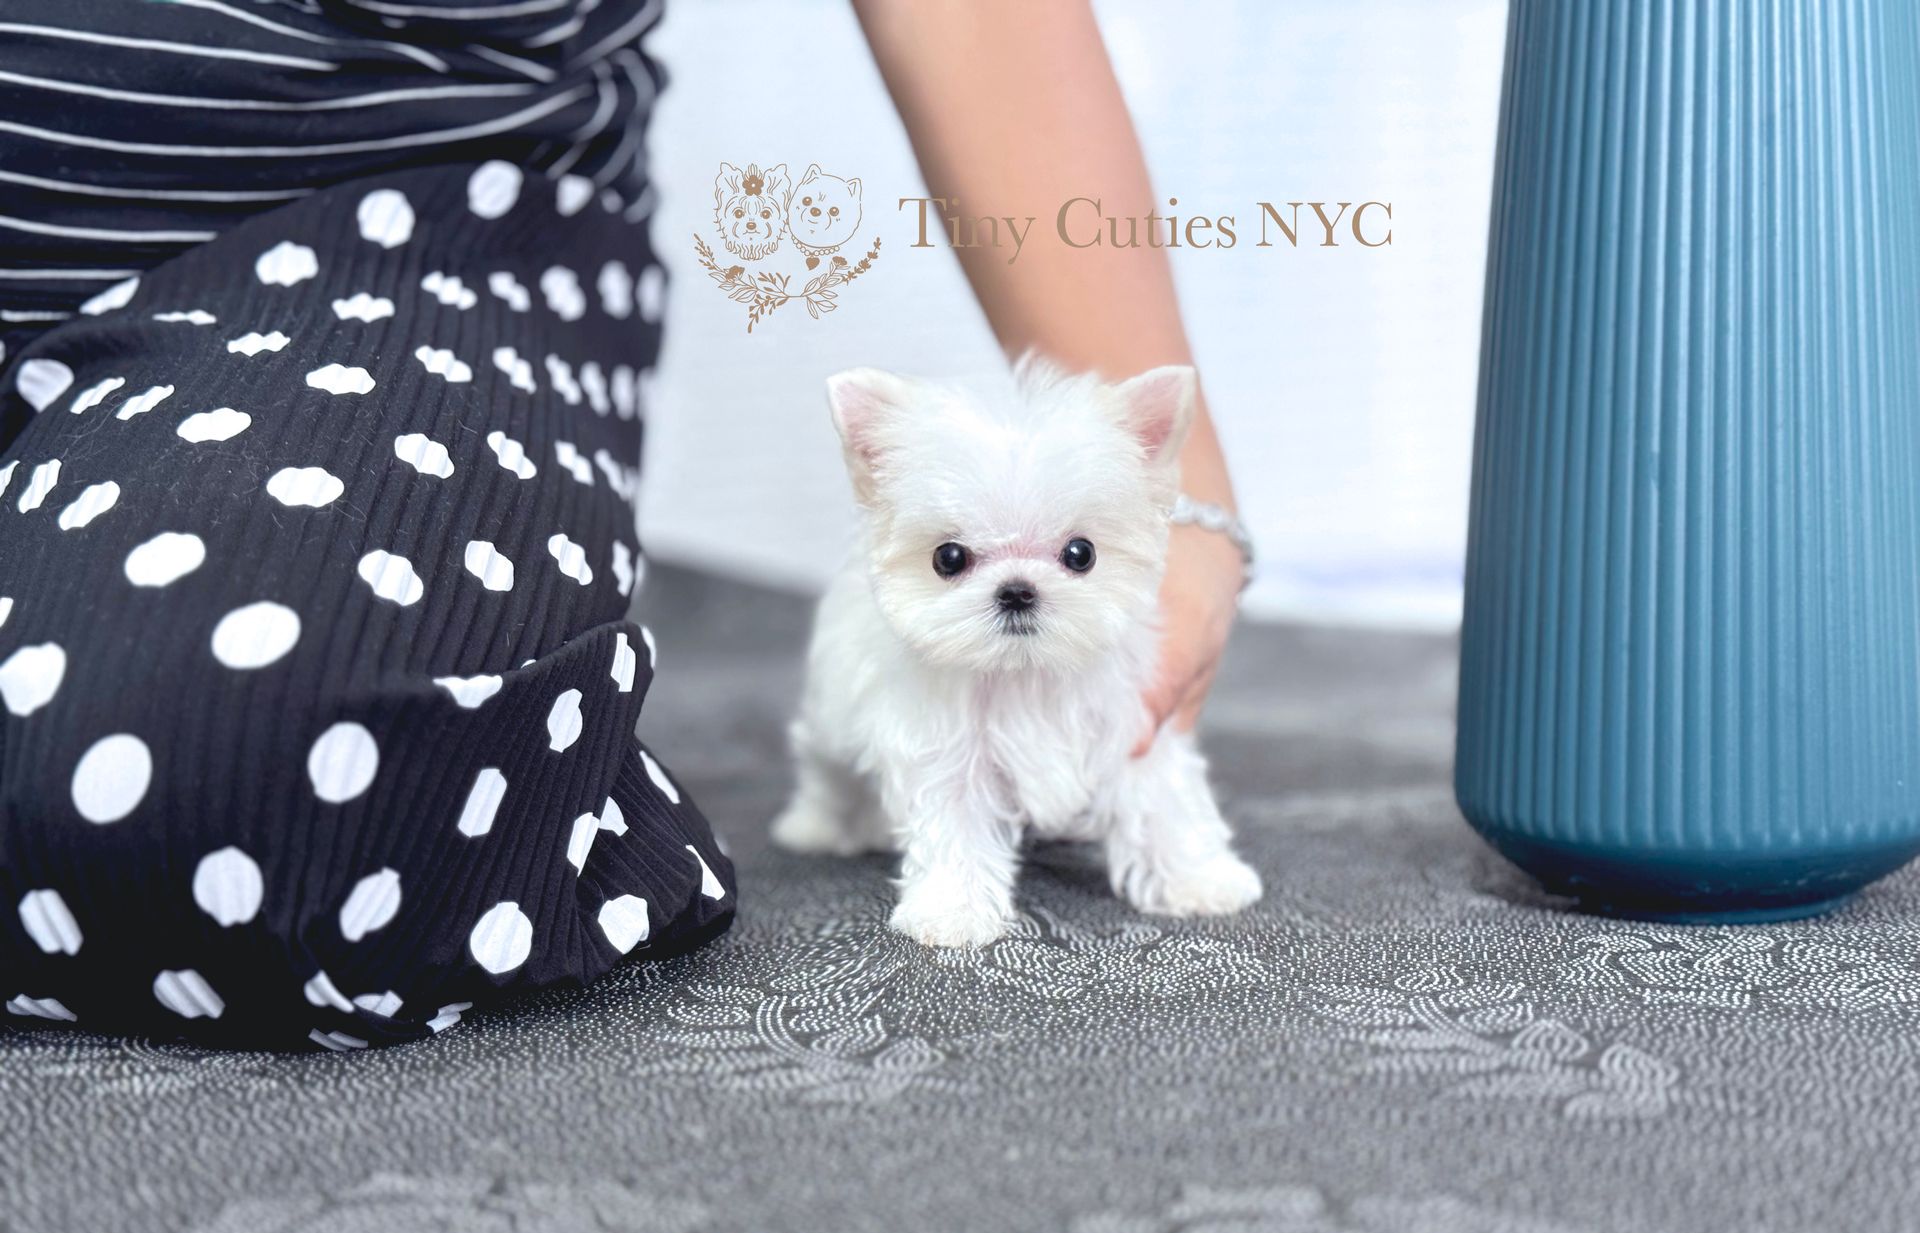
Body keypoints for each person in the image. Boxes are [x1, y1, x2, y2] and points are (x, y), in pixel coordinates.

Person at [0, 0, 1243, 1048]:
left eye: (1068, 555)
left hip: (383, 248)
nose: (1019, 584)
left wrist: (1184, 504)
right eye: (964, 559)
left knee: (237, 769)